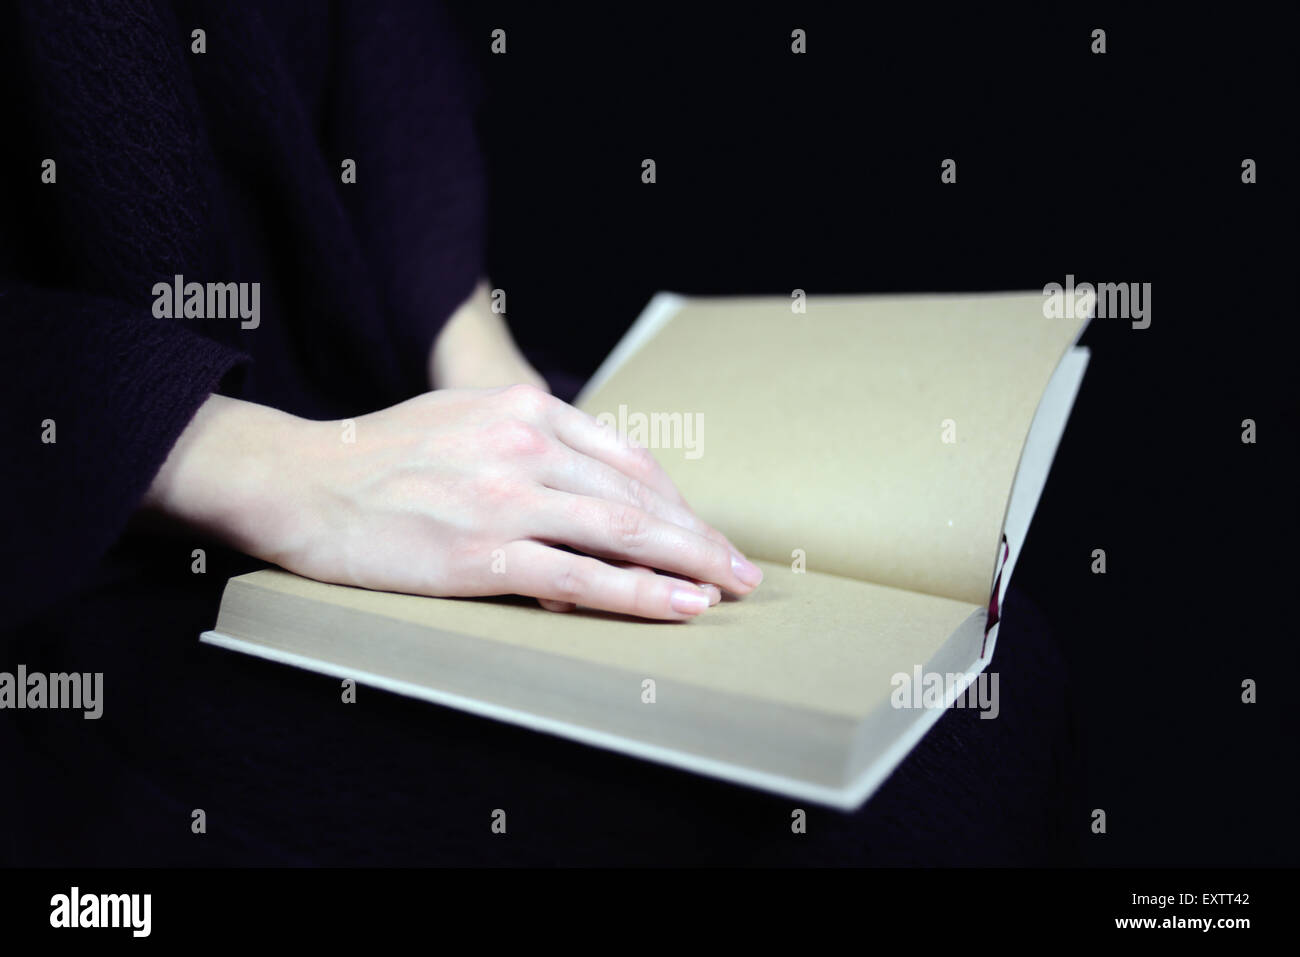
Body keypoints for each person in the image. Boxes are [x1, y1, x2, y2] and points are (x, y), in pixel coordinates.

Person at [0, 1, 1074, 866]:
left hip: (378, 379)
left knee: (977, 677)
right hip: (85, 518)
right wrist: (233, 455)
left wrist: (487, 371)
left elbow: (383, 66)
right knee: (873, 817)